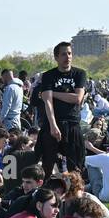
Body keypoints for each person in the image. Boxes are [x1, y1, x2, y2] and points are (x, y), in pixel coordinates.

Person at [35, 41, 88, 179]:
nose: (67, 57)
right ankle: (47, 194)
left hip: (72, 124)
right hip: (53, 123)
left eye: (69, 53)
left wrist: (53, 93)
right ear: (56, 57)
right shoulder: (48, 75)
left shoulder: (79, 74)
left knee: (75, 166)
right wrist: (53, 126)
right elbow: (47, 102)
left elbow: (77, 98)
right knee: (47, 164)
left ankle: (75, 195)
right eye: (64, 54)